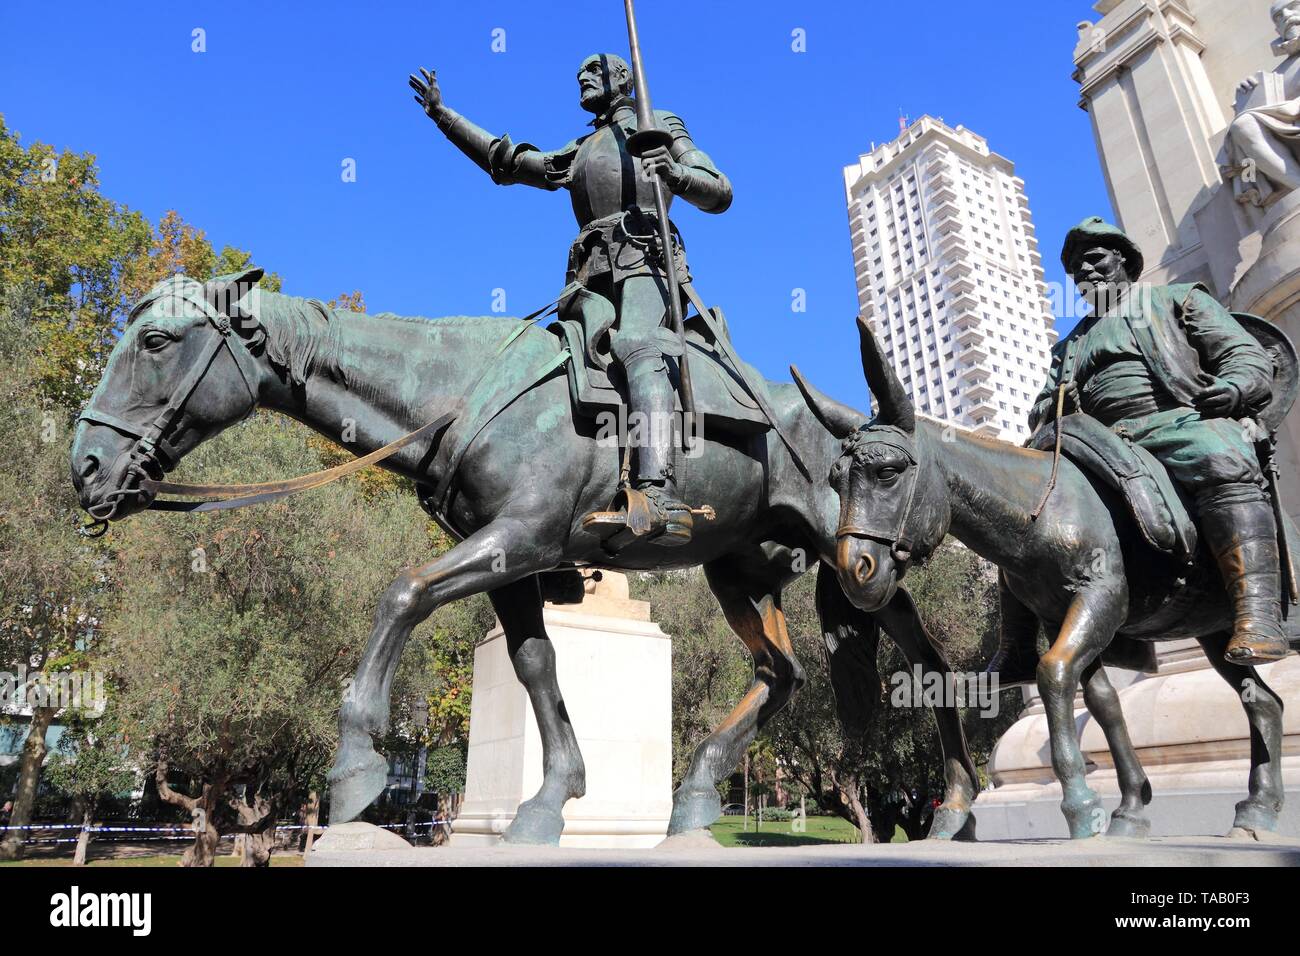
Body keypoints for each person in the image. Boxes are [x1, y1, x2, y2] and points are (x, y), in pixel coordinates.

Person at [408, 54, 732, 545]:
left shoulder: (659, 124)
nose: (581, 78)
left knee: (642, 349)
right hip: (589, 282)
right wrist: (443, 115)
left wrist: (674, 172)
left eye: (593, 72)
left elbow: (720, 191)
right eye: (579, 73)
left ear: (623, 79)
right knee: (540, 368)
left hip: (646, 267)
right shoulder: (582, 147)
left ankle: (658, 494)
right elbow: (510, 163)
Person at [991, 217, 1288, 671]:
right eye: (1075, 270)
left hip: (1176, 421)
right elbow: (1039, 407)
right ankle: (1016, 646)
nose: (1085, 273)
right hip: (1097, 443)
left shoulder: (1177, 299)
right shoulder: (1069, 346)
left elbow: (1243, 353)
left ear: (1124, 260)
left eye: (1094, 260)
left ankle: (1260, 613)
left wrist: (1234, 387)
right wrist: (1053, 403)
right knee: (1024, 507)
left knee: (1219, 455)